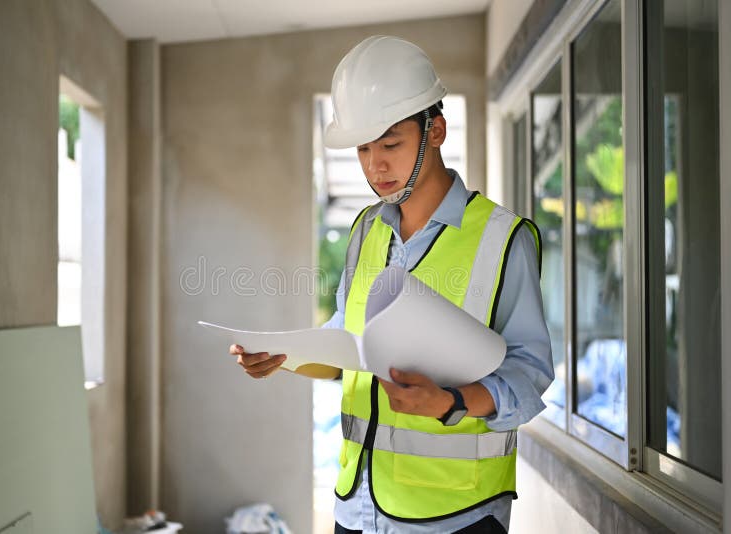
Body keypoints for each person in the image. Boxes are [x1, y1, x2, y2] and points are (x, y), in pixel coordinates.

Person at [230, 35, 553, 534]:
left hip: (454, 517)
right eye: (362, 147)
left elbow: (529, 374)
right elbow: (349, 344)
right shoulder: (365, 230)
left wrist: (450, 403)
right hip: (356, 507)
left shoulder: (503, 239)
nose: (374, 165)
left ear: (436, 130)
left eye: (391, 143)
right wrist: (284, 358)